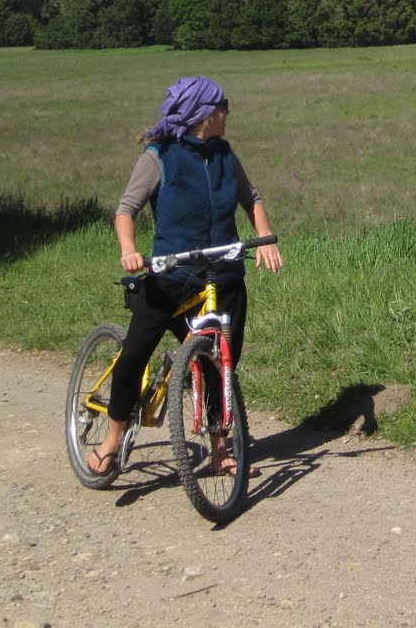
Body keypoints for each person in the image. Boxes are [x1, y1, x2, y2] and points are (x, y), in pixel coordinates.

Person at [85, 75, 283, 478]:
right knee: (133, 355)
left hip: (223, 275)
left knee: (219, 365)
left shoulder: (225, 154)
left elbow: (252, 199)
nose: (229, 111)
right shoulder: (159, 156)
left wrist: (264, 238)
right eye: (224, 104)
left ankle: (219, 447)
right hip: (170, 278)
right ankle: (114, 436)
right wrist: (129, 250)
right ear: (206, 114)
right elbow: (126, 210)